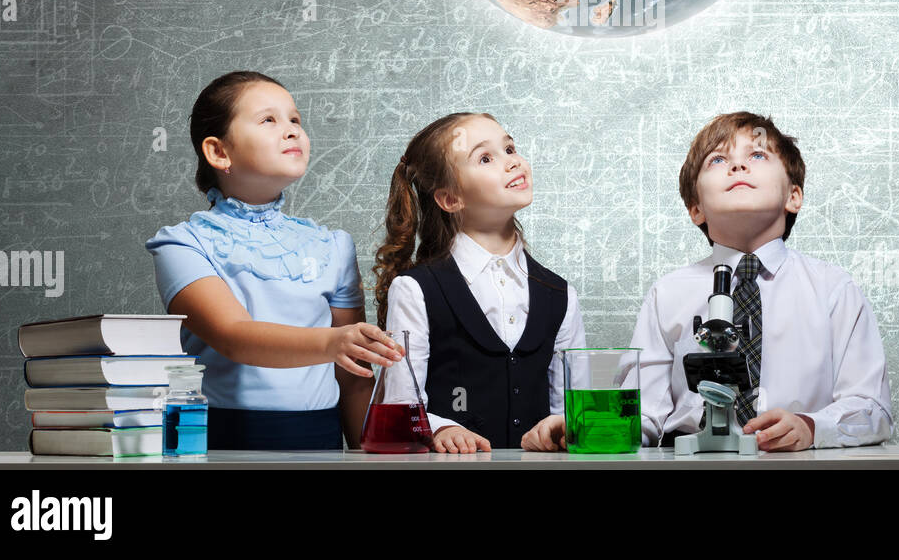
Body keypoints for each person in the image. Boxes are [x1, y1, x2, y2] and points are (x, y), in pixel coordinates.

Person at [556, 111, 891, 452]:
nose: (738, 167)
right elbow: (644, 415)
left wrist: (811, 427)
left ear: (794, 196)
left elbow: (872, 408)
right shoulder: (667, 294)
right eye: (717, 159)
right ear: (695, 208)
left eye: (757, 155)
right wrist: (582, 427)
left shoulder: (833, 290)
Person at [146, 71, 402, 451]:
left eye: (295, 120)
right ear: (218, 152)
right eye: (269, 120)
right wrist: (335, 342)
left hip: (320, 441)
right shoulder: (182, 243)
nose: (291, 130)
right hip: (218, 441)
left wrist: (372, 456)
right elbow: (233, 336)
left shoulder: (333, 246)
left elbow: (353, 377)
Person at [372, 112, 585, 453]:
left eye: (510, 148)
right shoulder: (415, 290)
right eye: (486, 158)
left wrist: (563, 427)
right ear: (450, 199)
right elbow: (401, 404)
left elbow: (570, 407)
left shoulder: (561, 295)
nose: (511, 162)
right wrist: (439, 429)